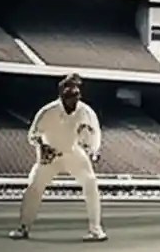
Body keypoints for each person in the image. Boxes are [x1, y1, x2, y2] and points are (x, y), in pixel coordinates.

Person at [10, 73, 107, 242]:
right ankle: (23, 227)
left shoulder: (86, 112)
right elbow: (33, 135)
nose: (74, 100)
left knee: (91, 183)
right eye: (70, 95)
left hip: (73, 152)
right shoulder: (48, 111)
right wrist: (42, 148)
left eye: (76, 95)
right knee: (34, 188)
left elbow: (95, 132)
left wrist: (94, 150)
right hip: (51, 155)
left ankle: (96, 230)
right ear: (62, 95)